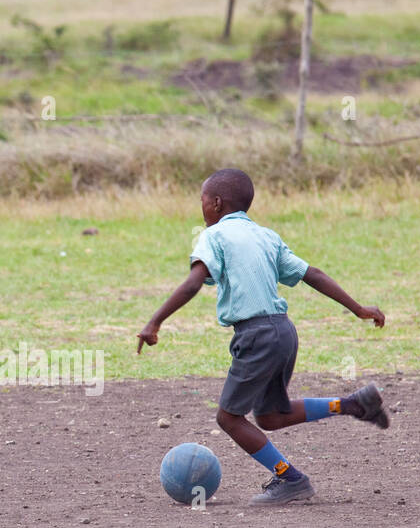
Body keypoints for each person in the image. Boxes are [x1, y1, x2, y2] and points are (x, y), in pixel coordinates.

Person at [137, 168, 389, 506]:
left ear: (215, 202)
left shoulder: (214, 236)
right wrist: (357, 308)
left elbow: (195, 281)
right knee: (271, 416)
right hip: (283, 331)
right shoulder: (266, 235)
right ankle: (353, 404)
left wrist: (155, 322)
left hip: (257, 335)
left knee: (228, 418)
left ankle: (291, 478)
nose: (201, 208)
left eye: (201, 201)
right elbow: (310, 273)